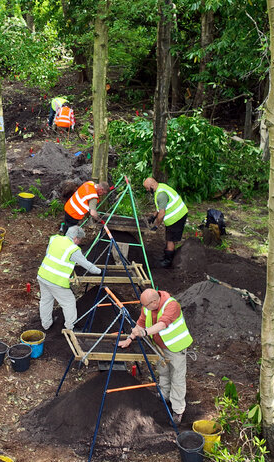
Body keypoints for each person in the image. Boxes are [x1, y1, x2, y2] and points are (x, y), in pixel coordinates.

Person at [118, 288, 193, 424]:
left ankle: (178, 410)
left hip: (176, 347)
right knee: (163, 371)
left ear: (153, 302)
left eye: (146, 305)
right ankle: (164, 396)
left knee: (177, 378)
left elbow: (162, 324)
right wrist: (130, 338)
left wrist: (145, 333)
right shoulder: (148, 307)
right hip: (159, 346)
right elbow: (140, 323)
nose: (144, 308)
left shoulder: (171, 305)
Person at [37, 226, 102, 332]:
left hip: (43, 275)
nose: (79, 242)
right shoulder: (73, 249)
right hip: (56, 281)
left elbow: (50, 254)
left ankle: (46, 324)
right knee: (69, 302)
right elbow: (86, 265)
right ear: (76, 238)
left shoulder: (55, 239)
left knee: (46, 300)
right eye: (79, 240)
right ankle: (70, 327)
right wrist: (100, 272)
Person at [143, 177, 188, 267]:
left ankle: (168, 262)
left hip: (177, 217)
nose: (147, 190)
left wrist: (156, 226)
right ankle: (167, 256)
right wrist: (153, 216)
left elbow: (162, 214)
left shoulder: (161, 195)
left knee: (170, 239)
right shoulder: (161, 187)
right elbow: (159, 207)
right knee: (169, 237)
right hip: (177, 215)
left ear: (152, 185)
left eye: (147, 188)